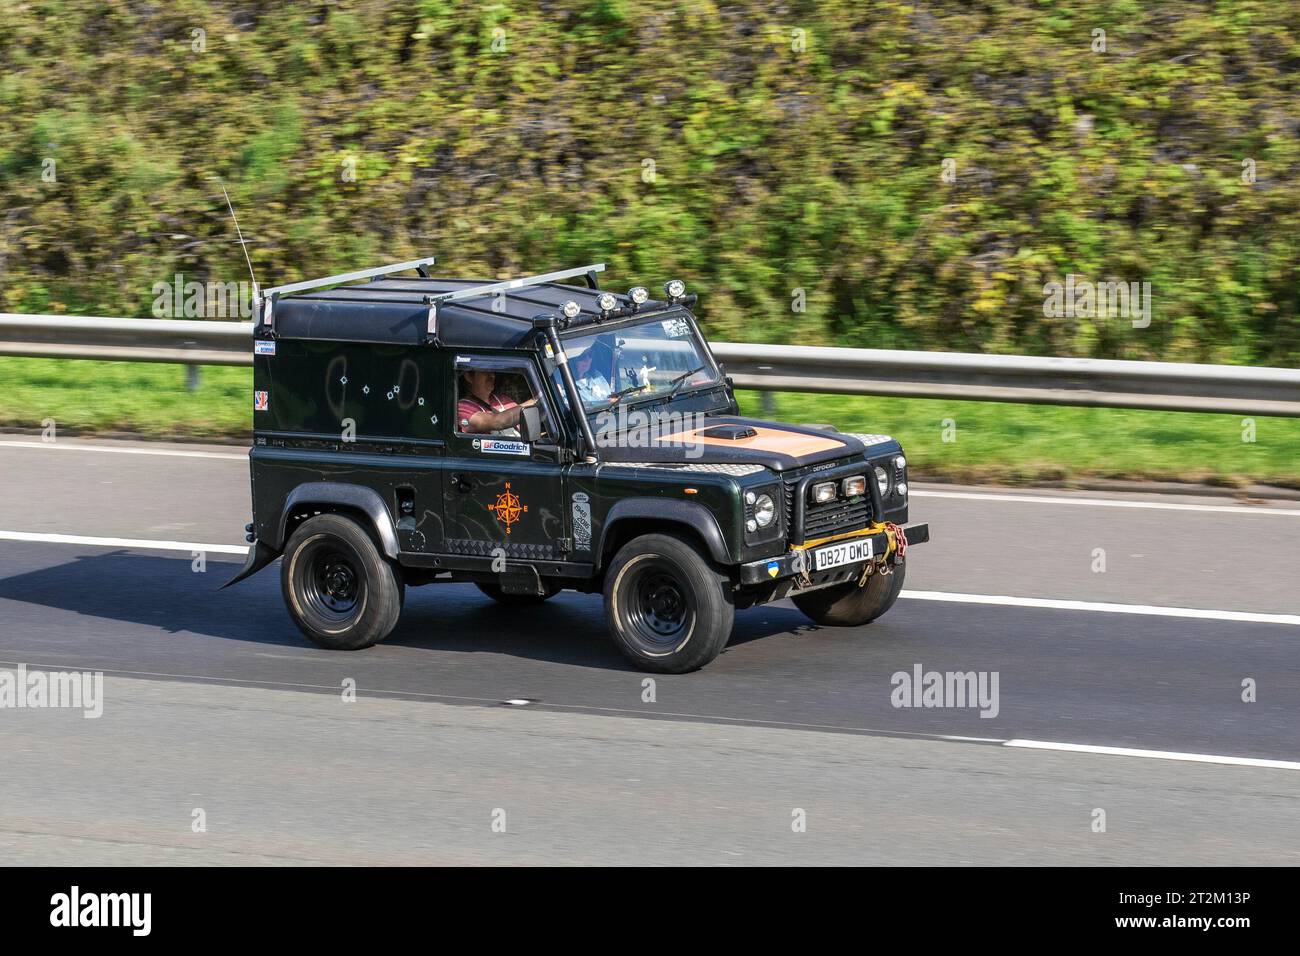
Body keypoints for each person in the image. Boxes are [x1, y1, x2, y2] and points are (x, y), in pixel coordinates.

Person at [458, 370, 537, 436]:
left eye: (493, 371)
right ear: (468, 376)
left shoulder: (503, 400)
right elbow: (497, 422)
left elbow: (525, 425)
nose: (492, 375)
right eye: (486, 371)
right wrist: (537, 401)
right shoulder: (463, 408)